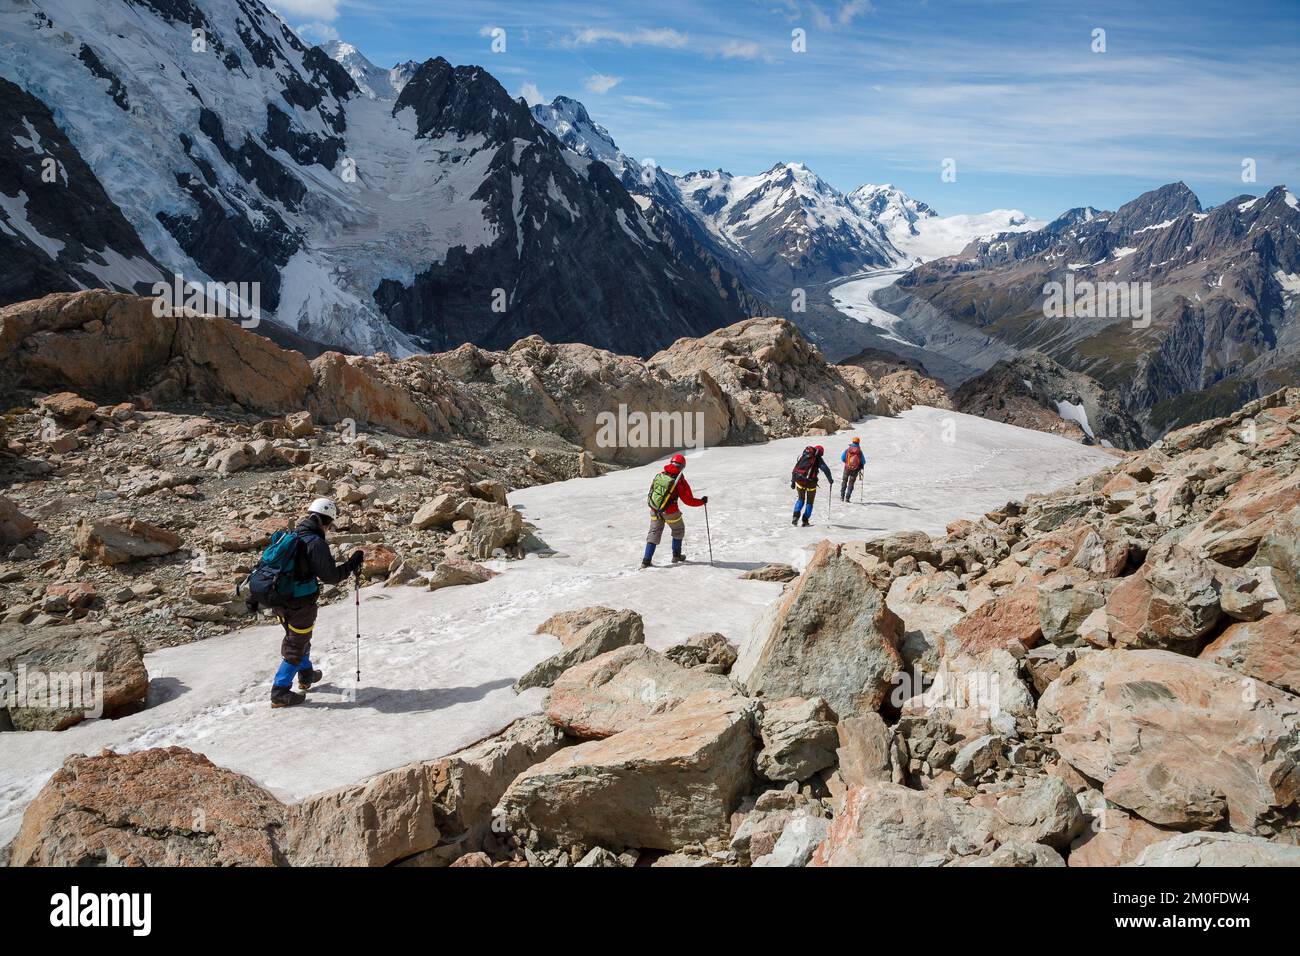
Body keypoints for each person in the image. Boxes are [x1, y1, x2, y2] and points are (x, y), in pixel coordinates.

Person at [268, 498, 364, 708]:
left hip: (279, 601)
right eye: (330, 525)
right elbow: (331, 577)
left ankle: (306, 674)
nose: (329, 529)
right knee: (296, 644)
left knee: (299, 637)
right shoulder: (315, 543)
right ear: (326, 521)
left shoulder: (291, 535)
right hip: (300, 604)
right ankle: (280, 692)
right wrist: (351, 564)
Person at [643, 453, 708, 567]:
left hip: (655, 509)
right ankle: (676, 556)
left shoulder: (661, 475)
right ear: (682, 466)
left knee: (654, 533)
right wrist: (701, 502)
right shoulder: (678, 480)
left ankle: (646, 561)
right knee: (678, 530)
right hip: (670, 511)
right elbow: (688, 500)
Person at [790, 444, 833, 526]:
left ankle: (795, 518)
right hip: (811, 483)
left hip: (800, 481)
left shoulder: (804, 455)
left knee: (800, 499)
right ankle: (805, 521)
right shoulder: (818, 459)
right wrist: (830, 480)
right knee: (809, 502)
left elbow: (796, 468)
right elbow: (825, 469)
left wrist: (793, 481)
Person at [840, 436, 865, 501]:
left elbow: (842, 458)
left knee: (844, 481)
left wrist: (847, 462)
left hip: (847, 468)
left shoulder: (848, 450)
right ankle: (847, 498)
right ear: (858, 442)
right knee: (851, 483)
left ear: (852, 442)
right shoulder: (859, 451)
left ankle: (842, 496)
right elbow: (863, 461)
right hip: (855, 469)